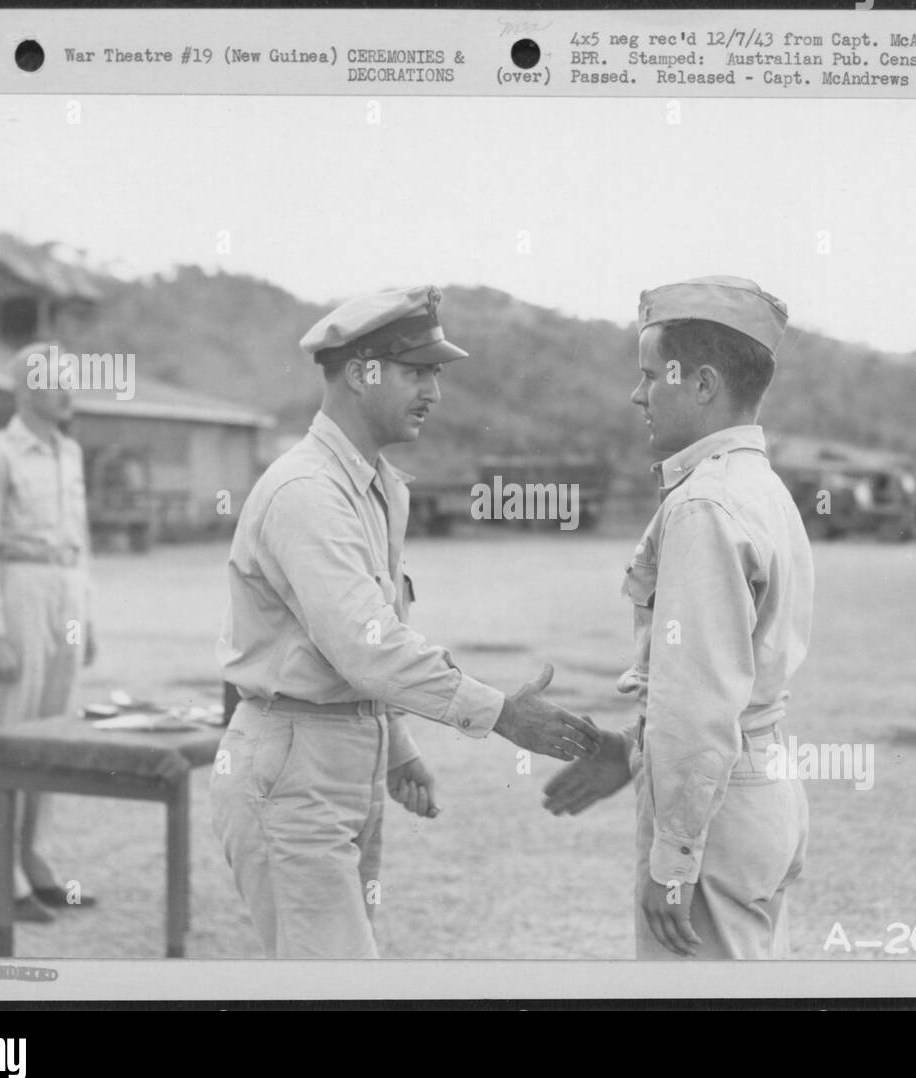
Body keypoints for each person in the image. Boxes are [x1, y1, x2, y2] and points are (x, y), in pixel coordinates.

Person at [211, 285, 599, 959]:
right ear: (363, 373)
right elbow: (368, 646)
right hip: (290, 769)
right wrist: (501, 711)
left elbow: (359, 635)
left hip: (337, 760)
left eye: (436, 373)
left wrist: (395, 743)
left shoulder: (378, 483)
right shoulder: (307, 492)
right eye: (418, 371)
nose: (435, 392)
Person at [542, 276, 813, 960]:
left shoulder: (705, 505)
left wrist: (675, 856)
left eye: (649, 375)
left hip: (716, 813)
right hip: (760, 785)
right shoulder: (761, 488)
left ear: (702, 385)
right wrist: (637, 757)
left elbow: (697, 700)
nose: (638, 395)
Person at [0, 342, 97, 922]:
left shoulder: (69, 452)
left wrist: (85, 617)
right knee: (14, 733)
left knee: (53, 737)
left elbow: (81, 539)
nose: (69, 391)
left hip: (64, 589)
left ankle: (33, 859)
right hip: (20, 588)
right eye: (56, 381)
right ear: (23, 390)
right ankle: (3, 879)